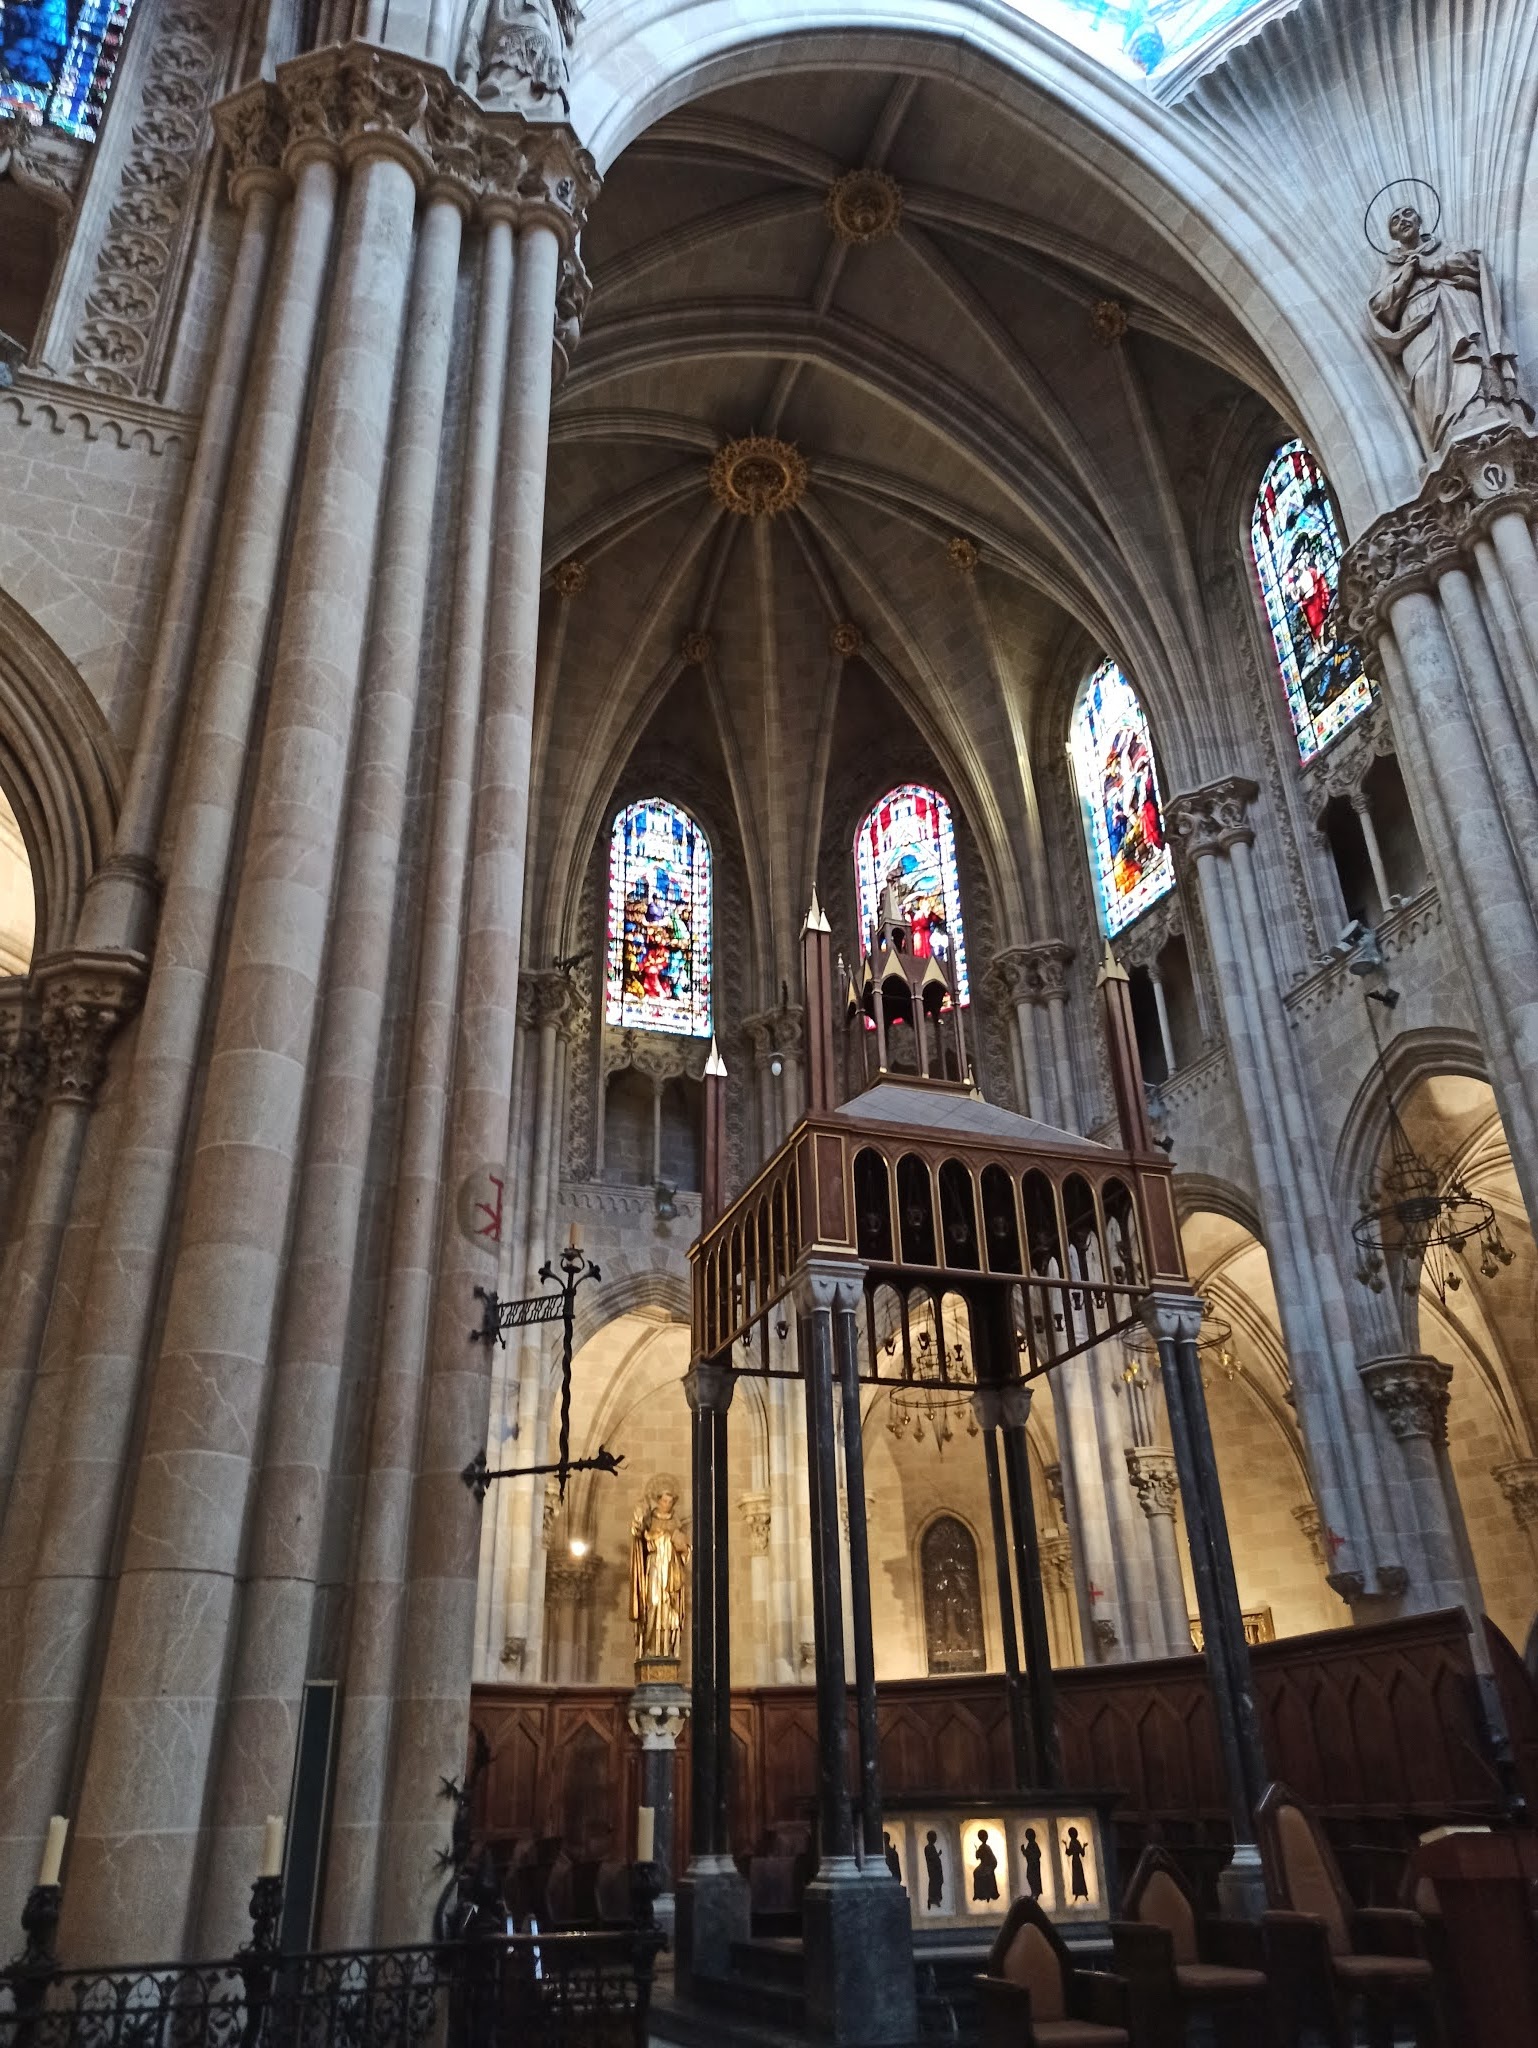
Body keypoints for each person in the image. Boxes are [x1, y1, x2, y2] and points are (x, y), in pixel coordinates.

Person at [629, 1476, 689, 1660]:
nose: (667, 1504)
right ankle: (649, 1648)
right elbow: (639, 1539)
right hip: (654, 1569)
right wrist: (638, 1525)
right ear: (658, 1500)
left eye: (670, 1501)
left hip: (671, 1571)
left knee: (669, 1609)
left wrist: (680, 1543)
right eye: (664, 1500)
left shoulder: (676, 1522)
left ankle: (667, 1650)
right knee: (653, 1603)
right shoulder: (649, 1520)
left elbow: (685, 1551)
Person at [972, 1827, 1000, 1903]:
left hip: (988, 1866)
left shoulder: (987, 1847)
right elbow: (978, 1857)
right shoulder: (981, 1847)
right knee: (976, 1872)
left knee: (985, 1874)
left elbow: (992, 1859)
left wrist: (991, 1868)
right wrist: (977, 1851)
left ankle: (989, 1894)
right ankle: (979, 1894)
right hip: (983, 1865)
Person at [1063, 1826, 1089, 1901]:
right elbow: (1069, 1853)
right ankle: (1078, 1893)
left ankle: (1082, 1893)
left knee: (1079, 1876)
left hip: (1077, 1861)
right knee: (1076, 1877)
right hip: (1075, 1861)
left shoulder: (1076, 1842)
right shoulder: (1072, 1842)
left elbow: (1082, 1853)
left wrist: (1084, 1847)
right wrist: (1065, 1845)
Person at [1021, 1827, 1043, 1900]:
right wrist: (1024, 1851)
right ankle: (1034, 1892)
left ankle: (1035, 1892)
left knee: (1032, 1877)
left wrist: (1024, 1850)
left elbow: (1038, 1854)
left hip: (1034, 1865)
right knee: (1031, 1877)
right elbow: (1028, 1854)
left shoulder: (1033, 1844)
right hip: (1032, 1864)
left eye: (1028, 1835)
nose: (1027, 1837)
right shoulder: (1031, 1844)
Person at [924, 1829, 944, 1909]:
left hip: (937, 1869)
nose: (935, 1839)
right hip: (933, 1870)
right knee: (934, 1884)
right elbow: (931, 1858)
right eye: (934, 1837)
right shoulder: (928, 1847)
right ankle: (932, 1899)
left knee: (938, 1883)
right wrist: (938, 1854)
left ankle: (936, 1898)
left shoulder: (932, 1847)